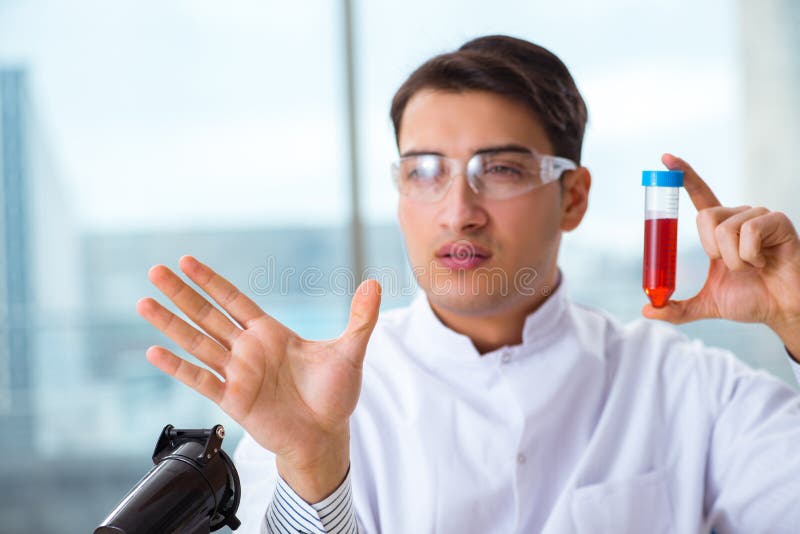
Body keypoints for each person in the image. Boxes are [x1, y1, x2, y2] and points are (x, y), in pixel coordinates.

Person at [136, 35, 800, 533]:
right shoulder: (309, 407)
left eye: (502, 169)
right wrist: (313, 469)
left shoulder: (691, 389)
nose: (458, 210)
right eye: (425, 171)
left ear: (573, 196)